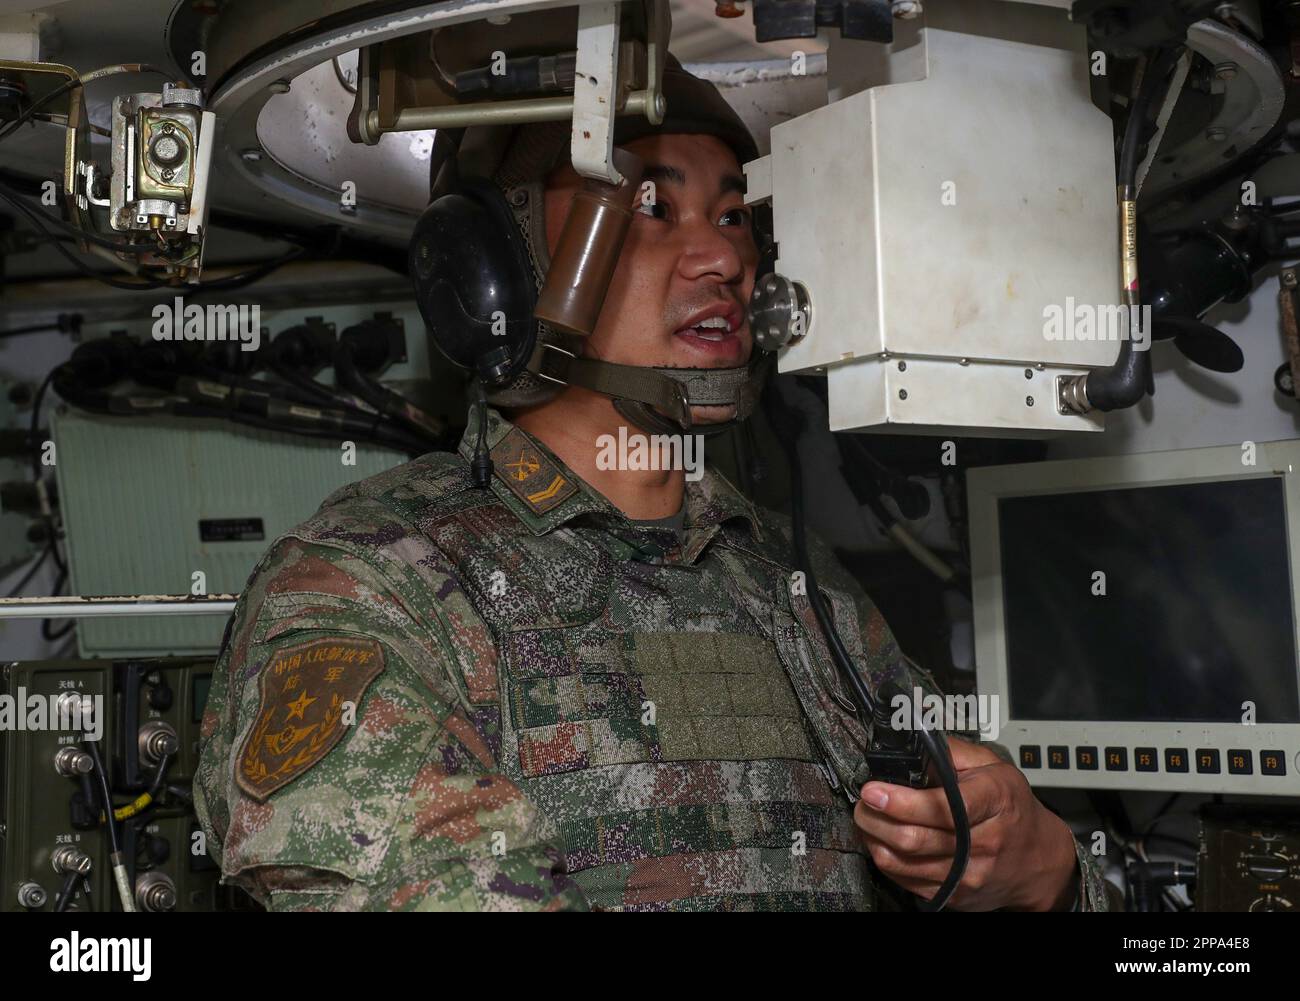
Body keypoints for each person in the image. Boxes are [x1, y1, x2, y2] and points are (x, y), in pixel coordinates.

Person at [194, 58, 1114, 912]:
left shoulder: (800, 592)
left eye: (733, 216)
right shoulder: (369, 582)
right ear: (501, 268)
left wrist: (1048, 874)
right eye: (648, 209)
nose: (722, 261)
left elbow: (973, 849)